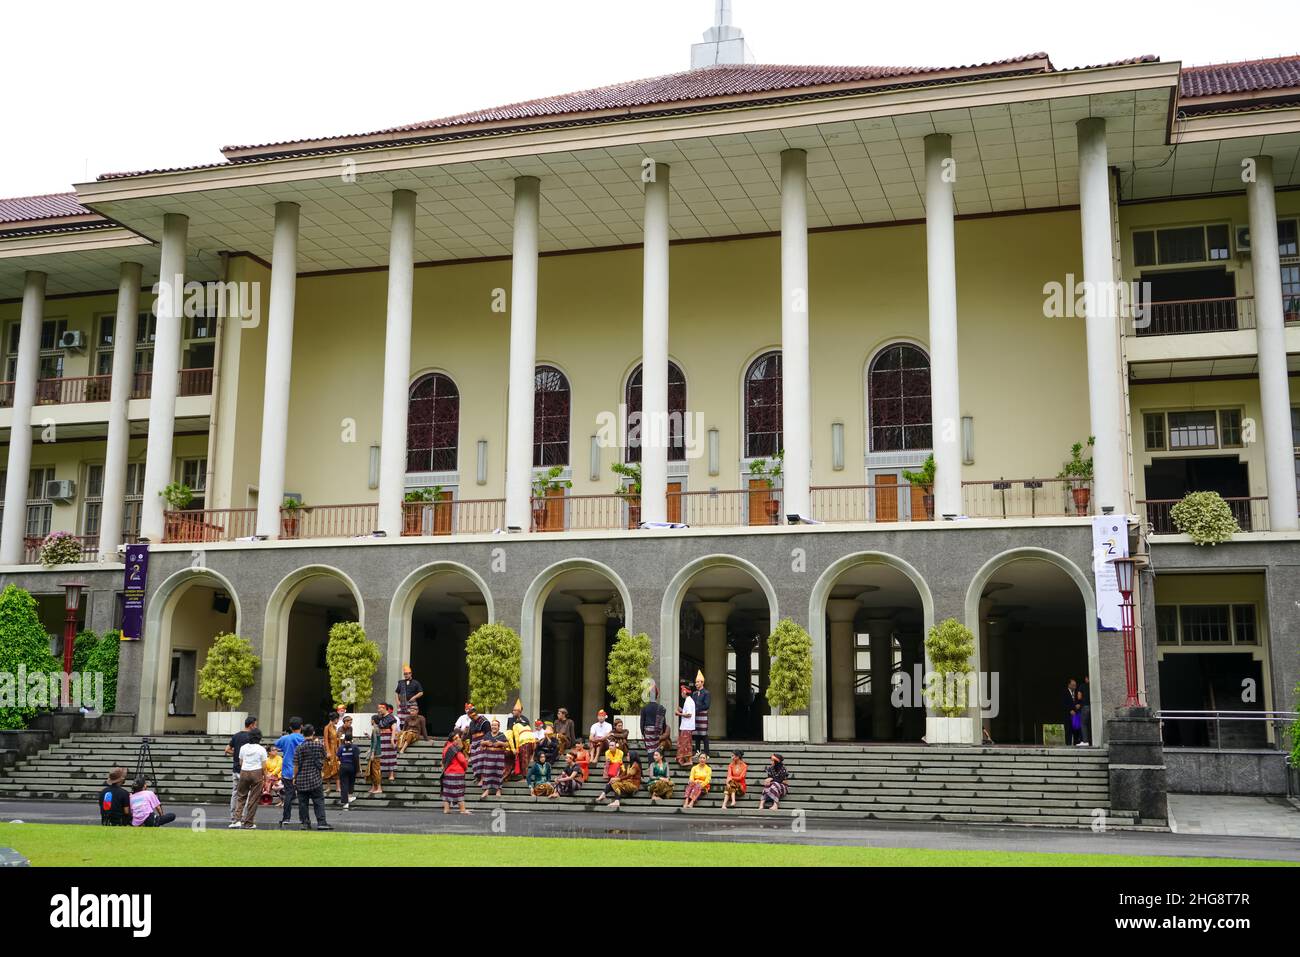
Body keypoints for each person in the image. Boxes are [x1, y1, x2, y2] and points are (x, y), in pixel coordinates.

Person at [292, 724, 333, 830]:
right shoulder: (319, 745)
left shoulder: (299, 747)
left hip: (302, 778)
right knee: (318, 801)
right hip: (315, 778)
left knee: (303, 803)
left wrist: (294, 777)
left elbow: (296, 765)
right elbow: (326, 757)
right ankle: (321, 822)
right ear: (313, 732)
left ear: (302, 733)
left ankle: (305, 823)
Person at [224, 715, 259, 826]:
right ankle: (244, 817)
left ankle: (234, 818)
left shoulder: (236, 736)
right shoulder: (251, 737)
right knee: (247, 795)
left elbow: (227, 750)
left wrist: (237, 753)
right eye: (255, 724)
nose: (256, 726)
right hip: (247, 769)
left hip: (235, 769)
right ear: (252, 724)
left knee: (235, 794)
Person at [232, 730, 267, 829]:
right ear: (259, 738)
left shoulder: (243, 747)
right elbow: (264, 766)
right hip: (256, 772)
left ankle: (237, 820)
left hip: (244, 772)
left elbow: (241, 762)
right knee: (253, 799)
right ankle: (248, 822)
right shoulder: (261, 749)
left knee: (241, 797)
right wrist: (266, 776)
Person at [276, 717, 305, 826]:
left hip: (287, 770)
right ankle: (303, 818)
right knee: (302, 795)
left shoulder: (285, 738)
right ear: (301, 726)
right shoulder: (303, 739)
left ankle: (286, 818)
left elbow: (277, 745)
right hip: (301, 771)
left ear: (290, 727)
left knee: (288, 794)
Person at [395, 665, 430, 741]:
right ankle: (402, 735)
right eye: (405, 674)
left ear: (411, 674)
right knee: (401, 720)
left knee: (410, 719)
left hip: (412, 704)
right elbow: (396, 693)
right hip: (402, 704)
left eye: (408, 673)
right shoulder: (400, 682)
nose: (406, 675)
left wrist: (413, 698)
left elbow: (421, 693)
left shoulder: (415, 683)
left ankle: (410, 735)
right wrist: (397, 701)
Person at [441, 731, 471, 815]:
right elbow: (462, 760)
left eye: (458, 737)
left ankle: (446, 809)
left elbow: (443, 760)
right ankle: (462, 810)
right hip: (457, 772)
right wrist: (466, 765)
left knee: (447, 792)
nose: (458, 739)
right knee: (459, 791)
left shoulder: (446, 747)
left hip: (447, 772)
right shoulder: (454, 748)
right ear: (452, 740)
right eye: (456, 738)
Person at [479, 719, 509, 798]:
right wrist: (485, 743)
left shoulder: (502, 735)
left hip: (499, 757)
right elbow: (481, 742)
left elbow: (507, 744)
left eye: (495, 725)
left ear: (498, 727)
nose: (493, 727)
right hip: (489, 756)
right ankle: (487, 790)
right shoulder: (488, 734)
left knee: (498, 773)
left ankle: (498, 790)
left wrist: (500, 743)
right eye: (492, 725)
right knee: (488, 773)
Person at [593, 739, 624, 803]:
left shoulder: (620, 752)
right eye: (609, 745)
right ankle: (609, 780)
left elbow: (618, 761)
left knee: (617, 764)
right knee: (607, 763)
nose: (610, 747)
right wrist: (611, 762)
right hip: (611, 767)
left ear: (616, 746)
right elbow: (608, 760)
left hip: (619, 768)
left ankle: (605, 792)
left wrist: (612, 761)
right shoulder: (607, 752)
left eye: (612, 745)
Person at [639, 686, 667, 755]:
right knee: (657, 750)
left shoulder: (644, 708)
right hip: (658, 730)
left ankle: (650, 764)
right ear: (657, 696)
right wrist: (663, 730)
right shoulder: (661, 708)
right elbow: (663, 721)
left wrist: (643, 733)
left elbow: (642, 722)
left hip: (648, 730)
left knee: (650, 750)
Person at [466, 707, 491, 783]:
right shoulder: (471, 722)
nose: (470, 718)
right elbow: (470, 735)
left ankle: (482, 778)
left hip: (482, 743)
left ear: (474, 714)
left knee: (481, 760)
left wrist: (485, 744)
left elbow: (488, 733)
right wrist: (470, 745)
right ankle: (477, 777)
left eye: (471, 716)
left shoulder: (484, 721)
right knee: (474, 761)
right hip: (474, 744)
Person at [375, 702, 399, 782]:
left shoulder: (391, 717)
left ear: (384, 708)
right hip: (381, 737)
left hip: (389, 737)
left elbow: (394, 728)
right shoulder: (380, 717)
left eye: (380, 708)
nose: (379, 710)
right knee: (381, 755)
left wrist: (392, 739)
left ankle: (391, 773)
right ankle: (380, 772)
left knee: (390, 755)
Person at [674, 682, 696, 766]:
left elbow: (689, 714)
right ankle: (684, 759)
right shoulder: (689, 701)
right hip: (686, 726)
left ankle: (688, 760)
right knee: (685, 743)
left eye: (681, 692)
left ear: (684, 692)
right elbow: (687, 712)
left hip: (687, 726)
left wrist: (678, 713)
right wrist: (681, 710)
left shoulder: (688, 701)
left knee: (685, 743)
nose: (681, 694)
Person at [336, 731, 359, 808]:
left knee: (344, 784)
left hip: (343, 767)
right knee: (351, 782)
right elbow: (356, 758)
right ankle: (349, 796)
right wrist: (357, 769)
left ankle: (345, 802)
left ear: (345, 738)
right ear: (352, 739)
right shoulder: (355, 747)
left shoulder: (341, 747)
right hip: (352, 767)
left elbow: (338, 757)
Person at [692, 672, 711, 756]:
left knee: (703, 734)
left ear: (702, 683)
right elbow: (692, 704)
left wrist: (697, 708)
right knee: (696, 735)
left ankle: (706, 753)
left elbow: (707, 705)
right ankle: (697, 752)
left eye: (698, 682)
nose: (696, 684)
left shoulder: (706, 693)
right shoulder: (694, 693)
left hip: (702, 716)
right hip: (696, 716)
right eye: (696, 682)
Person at [322, 711, 341, 795]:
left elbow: (336, 739)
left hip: (336, 749)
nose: (338, 720)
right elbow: (325, 740)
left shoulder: (334, 727)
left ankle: (338, 787)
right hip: (330, 750)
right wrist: (328, 751)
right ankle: (328, 787)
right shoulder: (327, 727)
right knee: (328, 767)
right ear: (335, 719)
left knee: (337, 767)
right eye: (338, 719)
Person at [367, 715, 384, 795]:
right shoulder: (378, 729)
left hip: (376, 753)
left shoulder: (375, 729)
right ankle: (374, 787)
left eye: (371, 720)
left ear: (373, 720)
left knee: (376, 771)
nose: (370, 721)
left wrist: (372, 753)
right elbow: (374, 740)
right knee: (373, 770)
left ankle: (379, 787)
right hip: (377, 752)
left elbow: (375, 742)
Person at [1063, 679, 1081, 746]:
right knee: (1068, 730)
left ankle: (1076, 744)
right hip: (1067, 715)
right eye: (1073, 685)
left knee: (1076, 730)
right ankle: (1068, 745)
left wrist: (1079, 705)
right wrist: (1069, 710)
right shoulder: (1064, 692)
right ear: (1069, 685)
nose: (1074, 687)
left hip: (1076, 715)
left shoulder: (1077, 693)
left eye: (1075, 685)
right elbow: (1063, 703)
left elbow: (1080, 700)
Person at [1078, 676, 1092, 746]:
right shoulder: (1092, 686)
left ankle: (1085, 741)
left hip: (1085, 706)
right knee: (1090, 724)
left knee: (1083, 724)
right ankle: (1091, 740)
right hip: (1093, 707)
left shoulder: (1082, 686)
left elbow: (1079, 697)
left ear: (1086, 678)